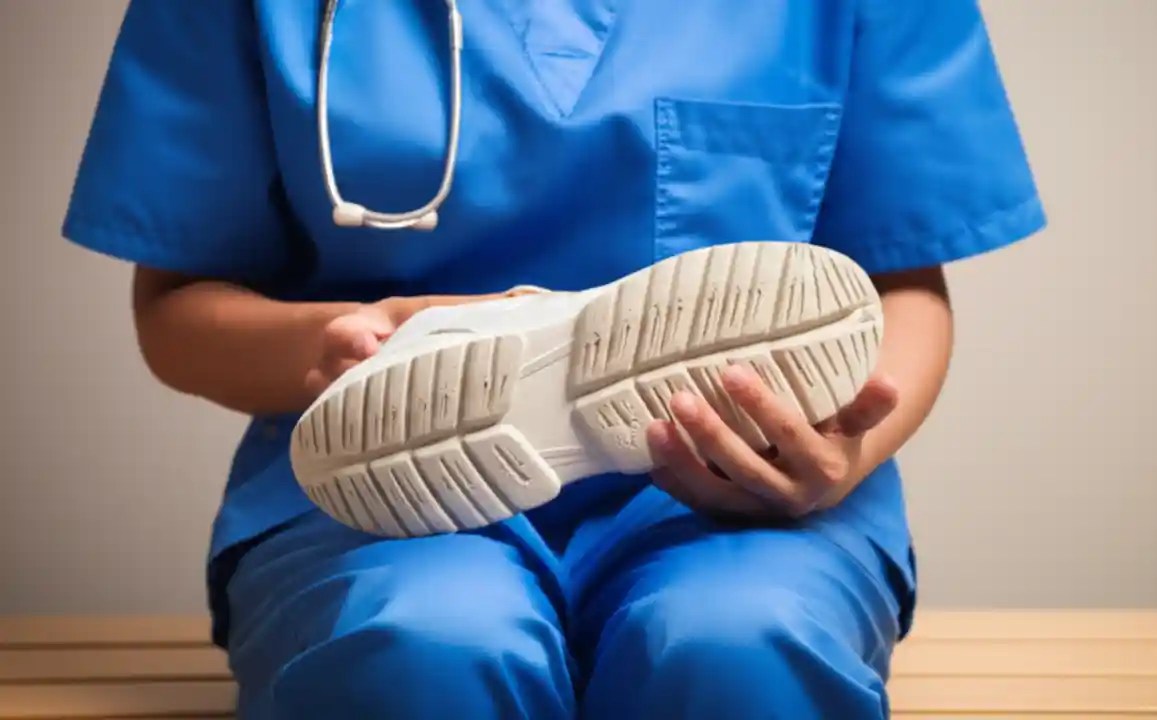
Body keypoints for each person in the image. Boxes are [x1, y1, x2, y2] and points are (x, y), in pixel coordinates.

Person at [62, 1, 1044, 717]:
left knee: (739, 647)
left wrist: (841, 460)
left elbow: (899, 281)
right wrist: (325, 347)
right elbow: (178, 305)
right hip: (377, 483)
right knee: (422, 650)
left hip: (751, 480)